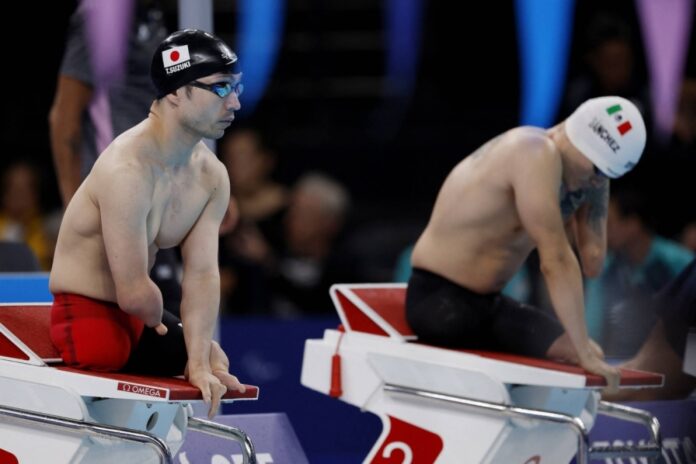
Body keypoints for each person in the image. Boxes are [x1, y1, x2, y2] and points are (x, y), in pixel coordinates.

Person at [49, 29, 246, 418]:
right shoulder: (127, 168)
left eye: (237, 87)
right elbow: (134, 292)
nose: (235, 102)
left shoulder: (211, 175)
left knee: (212, 355)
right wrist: (176, 337)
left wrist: (200, 358)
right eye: (221, 89)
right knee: (114, 348)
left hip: (139, 316)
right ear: (176, 91)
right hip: (86, 315)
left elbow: (204, 274)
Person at [407, 96, 647, 390]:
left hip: (486, 305)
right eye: (598, 170)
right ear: (580, 142)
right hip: (438, 302)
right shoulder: (532, 151)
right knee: (580, 355)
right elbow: (555, 261)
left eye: (608, 175)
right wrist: (581, 350)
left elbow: (593, 261)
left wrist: (597, 180)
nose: (596, 181)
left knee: (588, 352)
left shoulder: (583, 175)